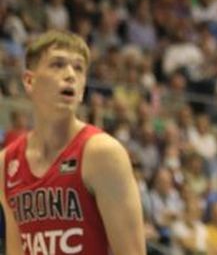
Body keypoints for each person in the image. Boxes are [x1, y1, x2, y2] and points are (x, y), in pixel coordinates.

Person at [0, 30, 147, 254]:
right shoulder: (6, 163)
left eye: (78, 68)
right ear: (29, 81)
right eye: (57, 65)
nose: (70, 75)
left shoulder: (102, 153)